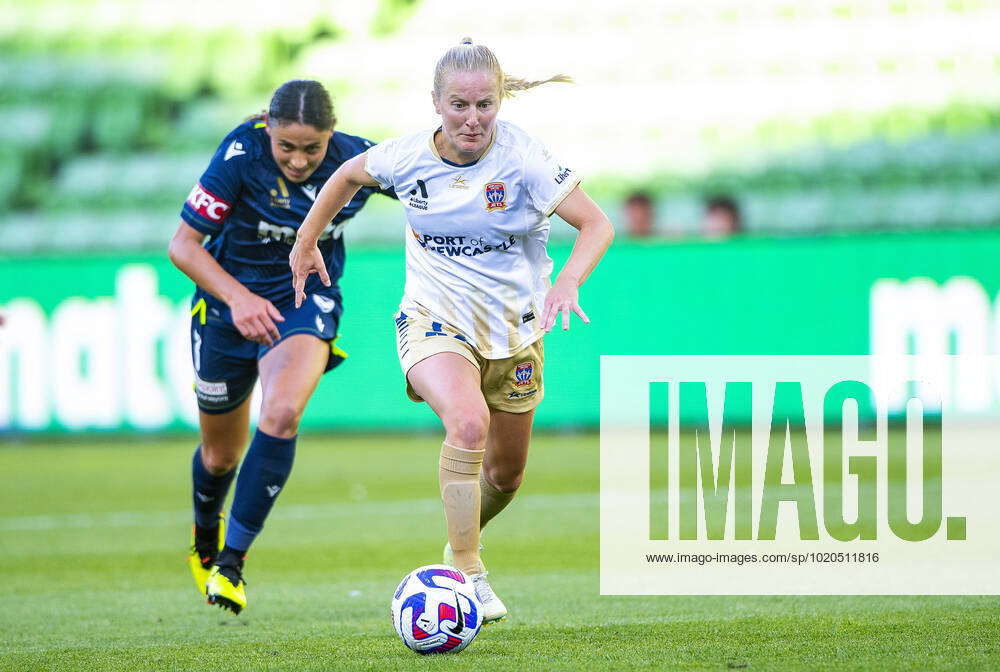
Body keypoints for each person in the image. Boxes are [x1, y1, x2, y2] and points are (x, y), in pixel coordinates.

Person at [289, 38, 614, 624]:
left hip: (514, 332)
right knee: (468, 423)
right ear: (436, 103)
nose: (472, 119)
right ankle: (467, 570)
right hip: (433, 319)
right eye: (459, 105)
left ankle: (458, 542)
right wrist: (306, 239)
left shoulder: (525, 161)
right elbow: (345, 175)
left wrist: (567, 282)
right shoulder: (407, 157)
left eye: (484, 104)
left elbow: (596, 224)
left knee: (506, 475)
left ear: (500, 102)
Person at [167, 79, 392, 614]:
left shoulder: (357, 158)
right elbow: (183, 245)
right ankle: (205, 538)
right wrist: (239, 299)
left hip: (302, 299)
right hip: (227, 306)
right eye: (286, 146)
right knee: (221, 454)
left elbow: (426, 180)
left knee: (284, 411)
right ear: (268, 129)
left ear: (331, 136)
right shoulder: (240, 153)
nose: (297, 160)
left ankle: (231, 564)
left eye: (312, 149)